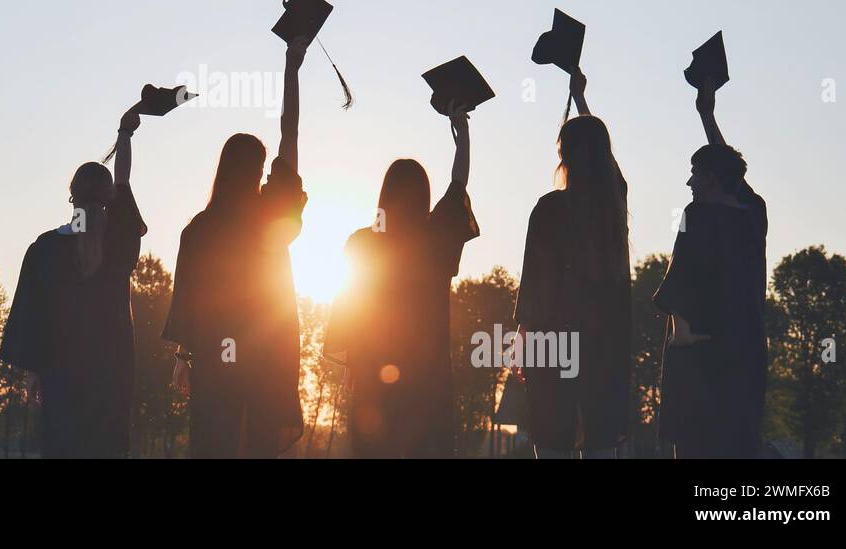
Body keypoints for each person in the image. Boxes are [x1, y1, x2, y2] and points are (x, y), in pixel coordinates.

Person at [162, 36, 310, 458]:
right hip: (268, 355)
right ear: (258, 170)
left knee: (216, 441)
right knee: (259, 442)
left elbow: (189, 297)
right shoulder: (269, 216)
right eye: (263, 169)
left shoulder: (200, 230)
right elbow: (290, 132)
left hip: (216, 356)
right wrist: (292, 68)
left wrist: (183, 357)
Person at [324, 98, 479, 458]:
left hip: (374, 378)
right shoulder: (434, 239)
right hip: (428, 379)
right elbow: (458, 187)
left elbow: (351, 306)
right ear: (423, 197)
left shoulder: (362, 244)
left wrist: (350, 361)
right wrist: (463, 135)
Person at [0, 104, 148, 458]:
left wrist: (35, 370)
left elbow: (30, 314)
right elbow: (124, 181)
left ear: (71, 195)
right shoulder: (120, 241)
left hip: (61, 374)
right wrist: (124, 136)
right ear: (110, 198)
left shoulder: (45, 249)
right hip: (111, 375)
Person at [513, 70, 630, 459]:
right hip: (605, 340)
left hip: (553, 338)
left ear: (564, 155)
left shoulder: (549, 209)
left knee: (551, 438)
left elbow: (534, 280)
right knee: (600, 439)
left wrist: (524, 338)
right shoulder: (612, 209)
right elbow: (609, 171)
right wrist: (581, 100)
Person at [653, 78, 767, 458]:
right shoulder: (754, 214)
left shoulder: (696, 214)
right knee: (738, 440)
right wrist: (707, 115)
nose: (689, 181)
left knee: (694, 441)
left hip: (701, 347)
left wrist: (681, 333)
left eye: (695, 172)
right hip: (746, 349)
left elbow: (681, 274)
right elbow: (734, 174)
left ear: (711, 178)